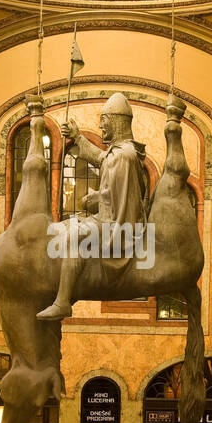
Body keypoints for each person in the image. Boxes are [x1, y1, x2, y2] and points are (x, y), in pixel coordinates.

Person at [37, 92, 150, 321]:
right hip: (109, 217)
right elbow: (103, 159)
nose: (101, 126)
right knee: (66, 226)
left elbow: (122, 202)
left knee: (72, 236)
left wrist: (97, 200)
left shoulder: (124, 156)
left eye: (104, 120)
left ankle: (62, 302)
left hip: (117, 226)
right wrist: (78, 138)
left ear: (116, 121)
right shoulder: (120, 152)